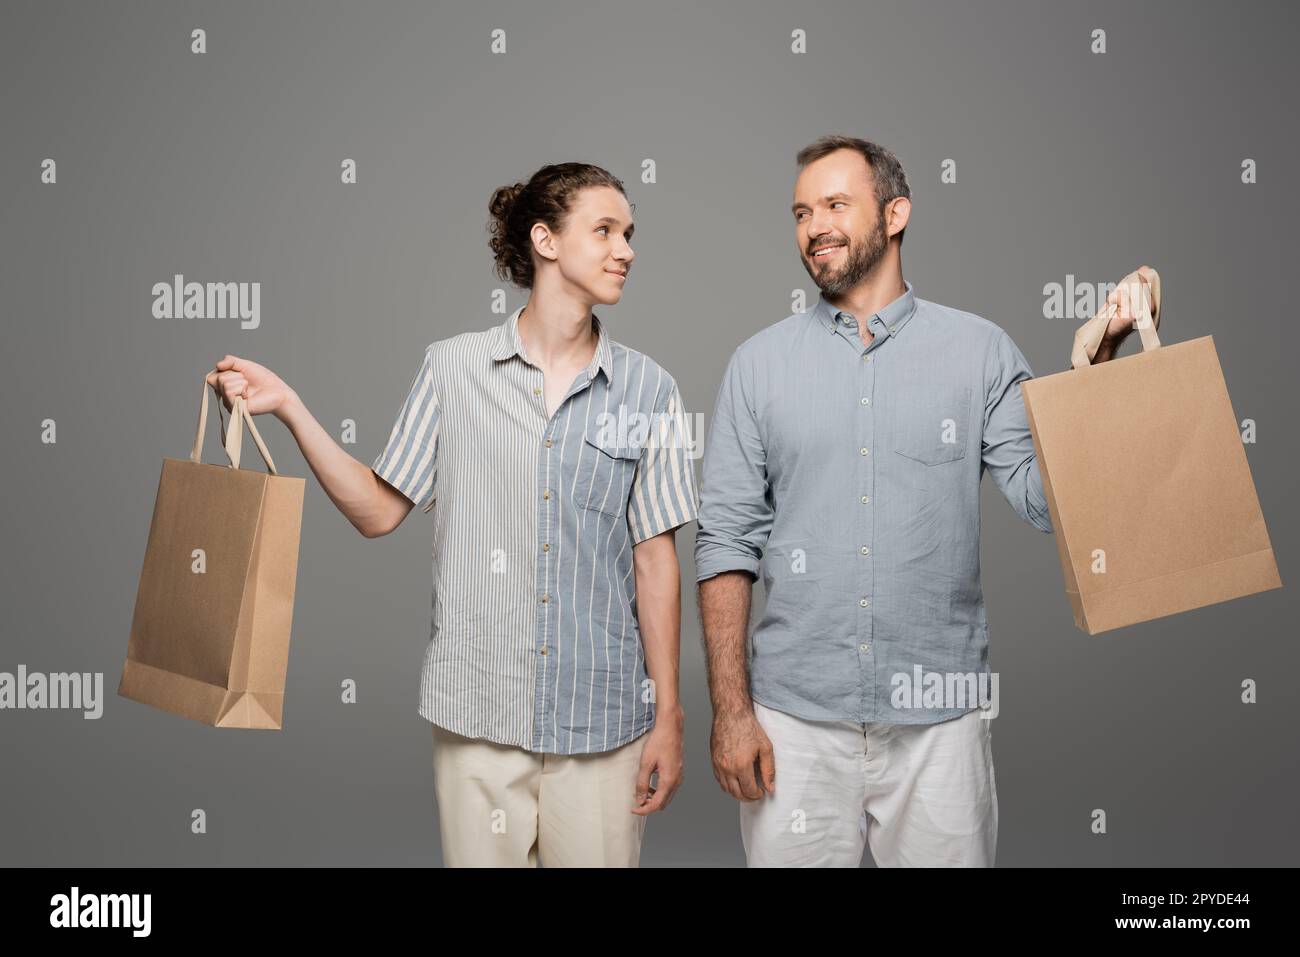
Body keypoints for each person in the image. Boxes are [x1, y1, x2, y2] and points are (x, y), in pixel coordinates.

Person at [208, 162, 700, 867]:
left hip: (606, 721)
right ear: (546, 240)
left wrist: (670, 716)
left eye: (629, 233)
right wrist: (288, 405)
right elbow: (378, 510)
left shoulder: (652, 390)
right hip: (478, 716)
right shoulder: (452, 370)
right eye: (605, 230)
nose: (626, 248)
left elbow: (656, 559)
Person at [694, 134, 1152, 867]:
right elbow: (724, 543)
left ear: (896, 212)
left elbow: (1045, 502)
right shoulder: (757, 367)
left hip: (941, 725)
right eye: (802, 211)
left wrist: (1101, 362)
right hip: (794, 725)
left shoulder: (983, 352)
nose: (815, 227)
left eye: (836, 204)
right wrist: (731, 712)